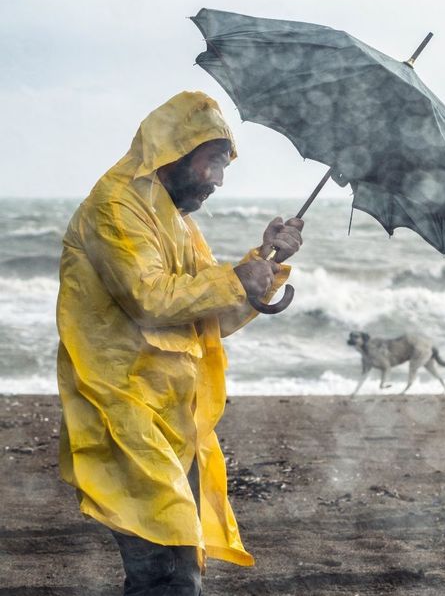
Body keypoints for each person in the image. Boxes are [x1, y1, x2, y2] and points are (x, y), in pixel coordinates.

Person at [56, 91, 304, 595]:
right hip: (122, 408)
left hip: (172, 414)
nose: (217, 180)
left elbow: (204, 312)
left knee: (176, 563)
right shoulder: (115, 207)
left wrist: (265, 262)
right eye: (212, 162)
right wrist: (238, 278)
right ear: (173, 149)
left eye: (223, 167)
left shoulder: (175, 219)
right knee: (165, 571)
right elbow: (149, 298)